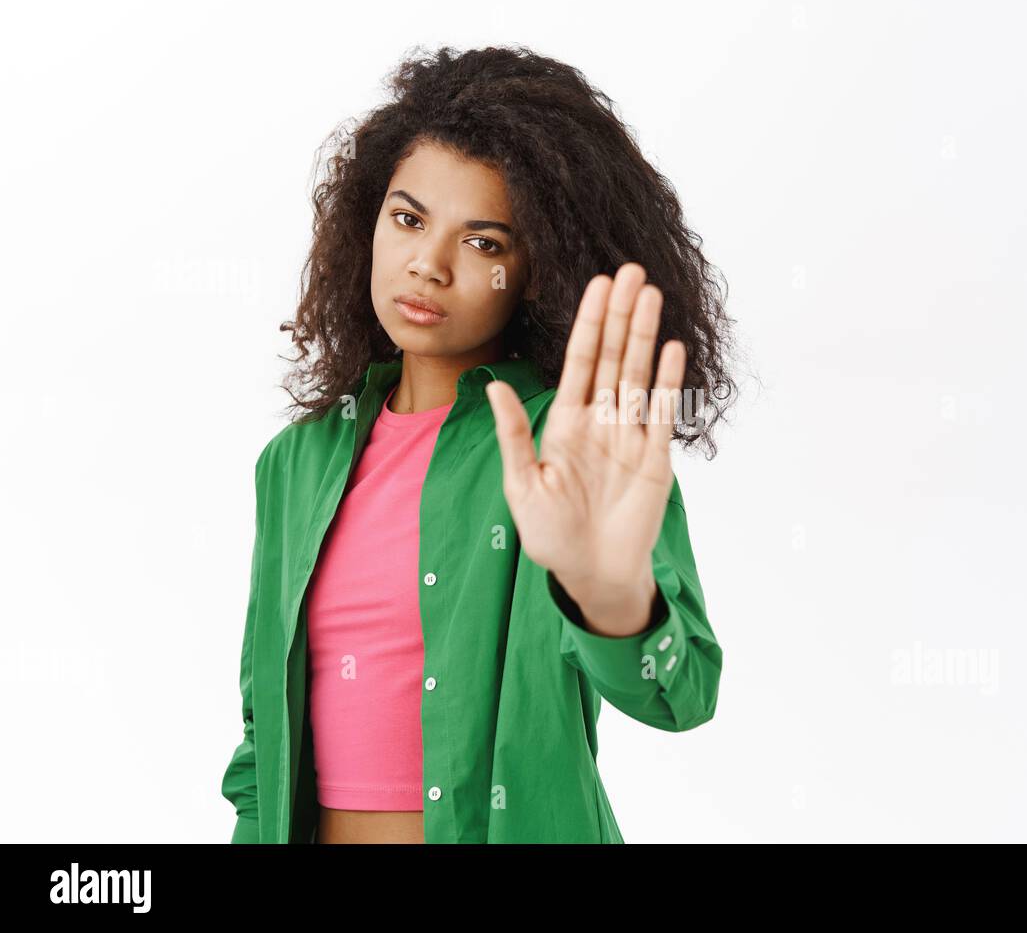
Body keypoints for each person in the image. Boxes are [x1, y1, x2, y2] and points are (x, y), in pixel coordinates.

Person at [220, 45, 739, 843]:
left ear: (538, 272)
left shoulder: (574, 448)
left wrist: (606, 596)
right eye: (408, 218)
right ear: (370, 222)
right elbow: (263, 748)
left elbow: (680, 693)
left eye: (484, 243)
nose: (428, 265)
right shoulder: (295, 466)